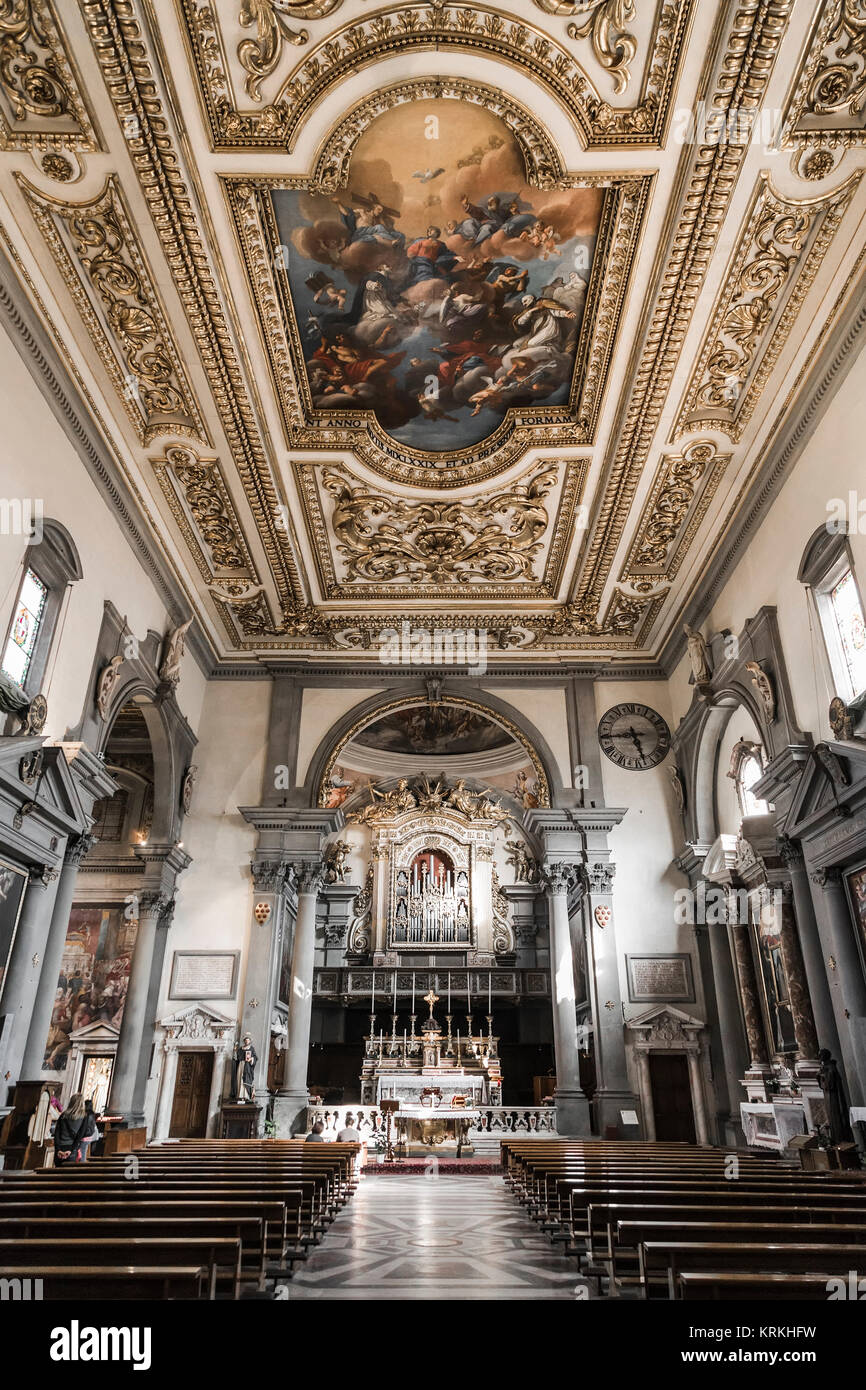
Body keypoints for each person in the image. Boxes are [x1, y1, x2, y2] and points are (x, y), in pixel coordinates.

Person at [53, 1092, 96, 1166]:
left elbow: (56, 1134)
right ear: (81, 1104)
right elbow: (80, 1135)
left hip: (60, 1148)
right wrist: (71, 1150)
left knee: (57, 1174)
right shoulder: (84, 1116)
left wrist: (58, 1149)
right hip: (72, 1149)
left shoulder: (63, 1115)